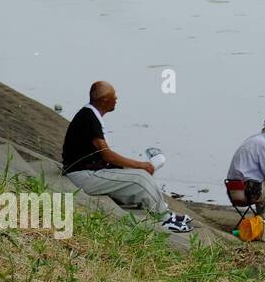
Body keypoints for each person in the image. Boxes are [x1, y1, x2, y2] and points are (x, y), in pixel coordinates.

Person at [62, 81, 191, 232]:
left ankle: (164, 213)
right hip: (82, 176)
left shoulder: (89, 115)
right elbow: (107, 154)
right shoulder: (88, 118)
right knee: (140, 179)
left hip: (89, 172)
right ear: (104, 100)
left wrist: (132, 167)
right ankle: (163, 219)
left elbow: (102, 155)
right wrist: (141, 165)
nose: (116, 98)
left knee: (138, 176)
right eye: (114, 95)